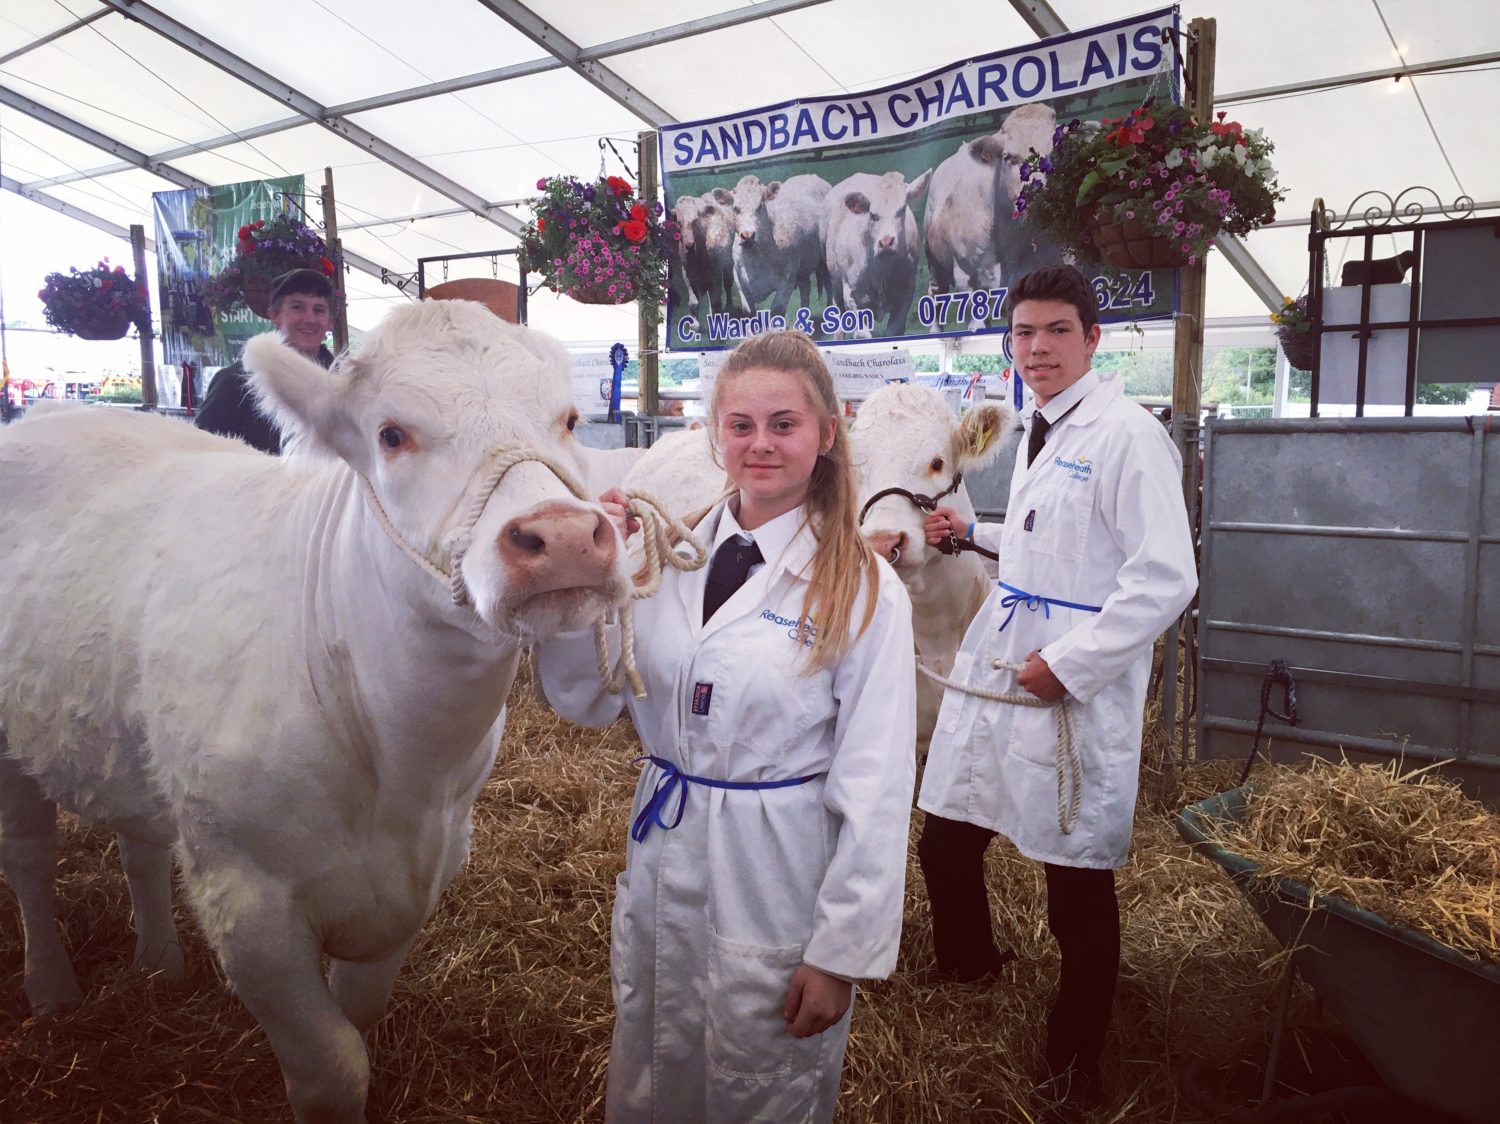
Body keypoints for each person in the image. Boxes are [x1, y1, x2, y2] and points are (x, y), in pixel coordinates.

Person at [537, 330, 917, 1123]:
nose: (761, 445)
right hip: (664, 844)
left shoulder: (864, 588)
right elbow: (586, 701)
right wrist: (587, 583)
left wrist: (840, 953)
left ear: (828, 430)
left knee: (761, 1082)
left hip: (774, 870)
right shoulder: (659, 559)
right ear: (715, 432)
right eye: (740, 425)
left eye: (785, 424)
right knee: (654, 1059)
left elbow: (877, 786)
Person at [914, 265, 1197, 1112]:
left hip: (1066, 675)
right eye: (1024, 334)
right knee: (947, 840)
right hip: (1005, 657)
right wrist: (974, 534)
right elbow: (1055, 547)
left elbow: (1163, 579)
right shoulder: (1043, 425)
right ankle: (969, 971)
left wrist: (1070, 664)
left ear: (1092, 339)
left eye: (1056, 332)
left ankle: (1076, 1062)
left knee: (1074, 878)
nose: (1037, 349)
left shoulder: (1126, 435)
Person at [193, 268, 335, 453]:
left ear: (330, 322)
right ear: (274, 315)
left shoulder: (343, 384)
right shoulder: (234, 383)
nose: (309, 318)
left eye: (319, 310)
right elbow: (202, 454)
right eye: (297, 307)